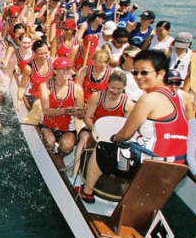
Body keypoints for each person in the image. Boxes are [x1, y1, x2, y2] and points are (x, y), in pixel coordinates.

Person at [79, 49, 189, 203]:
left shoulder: (149, 98)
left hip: (152, 165)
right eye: (135, 72)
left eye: (144, 72)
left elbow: (125, 134)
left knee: (102, 149)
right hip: (178, 166)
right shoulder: (177, 96)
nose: (138, 77)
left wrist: (113, 139)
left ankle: (87, 191)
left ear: (161, 74)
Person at [75, 70, 135, 178]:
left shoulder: (128, 104)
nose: (115, 91)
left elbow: (126, 127)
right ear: (107, 84)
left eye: (119, 89)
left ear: (124, 87)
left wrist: (114, 138)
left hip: (114, 136)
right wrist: (95, 132)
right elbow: (87, 117)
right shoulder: (97, 96)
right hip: (93, 128)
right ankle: (75, 173)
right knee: (83, 139)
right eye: (112, 88)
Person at [39, 57, 84, 158]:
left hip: (67, 128)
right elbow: (46, 111)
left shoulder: (77, 89)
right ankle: (53, 156)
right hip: (47, 125)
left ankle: (59, 156)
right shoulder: (45, 86)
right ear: (55, 71)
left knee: (66, 147)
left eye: (68, 69)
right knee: (49, 143)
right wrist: (63, 111)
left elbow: (81, 115)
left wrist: (77, 112)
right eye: (62, 69)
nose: (66, 72)